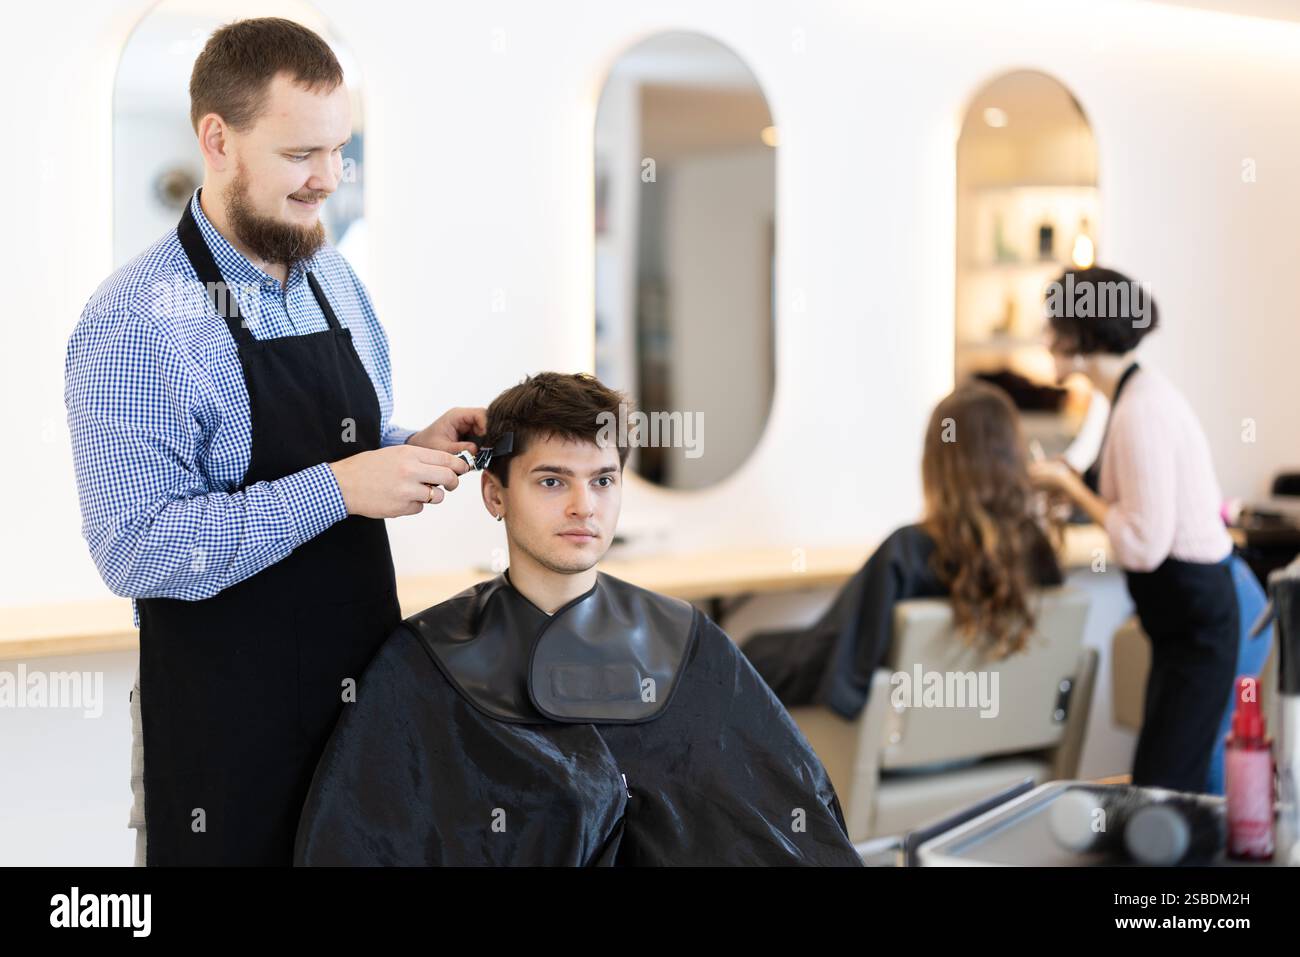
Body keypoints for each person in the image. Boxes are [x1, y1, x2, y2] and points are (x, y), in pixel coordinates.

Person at [64, 18, 485, 865]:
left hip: (364, 719)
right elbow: (135, 548)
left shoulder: (334, 277)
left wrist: (410, 445)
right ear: (217, 140)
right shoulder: (135, 320)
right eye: (301, 156)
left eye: (339, 150)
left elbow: (350, 445)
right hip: (226, 747)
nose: (329, 179)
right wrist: (339, 488)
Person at [294, 372, 863, 866]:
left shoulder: (685, 641)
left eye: (603, 480)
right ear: (495, 494)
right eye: (551, 481)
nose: (582, 506)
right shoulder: (425, 660)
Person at [1030, 266, 1270, 795]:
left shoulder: (1141, 409)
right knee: (1168, 782)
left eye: (1053, 325)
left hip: (1201, 620)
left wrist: (1073, 491)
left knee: (1168, 787)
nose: (1044, 338)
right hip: (1186, 620)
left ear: (1081, 334)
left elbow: (1143, 544)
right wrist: (1073, 486)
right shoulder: (1127, 398)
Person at [743, 381, 1063, 720]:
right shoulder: (1038, 552)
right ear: (1014, 456)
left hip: (895, 755)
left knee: (748, 658)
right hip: (994, 746)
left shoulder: (906, 551)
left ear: (936, 463)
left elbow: (845, 676)